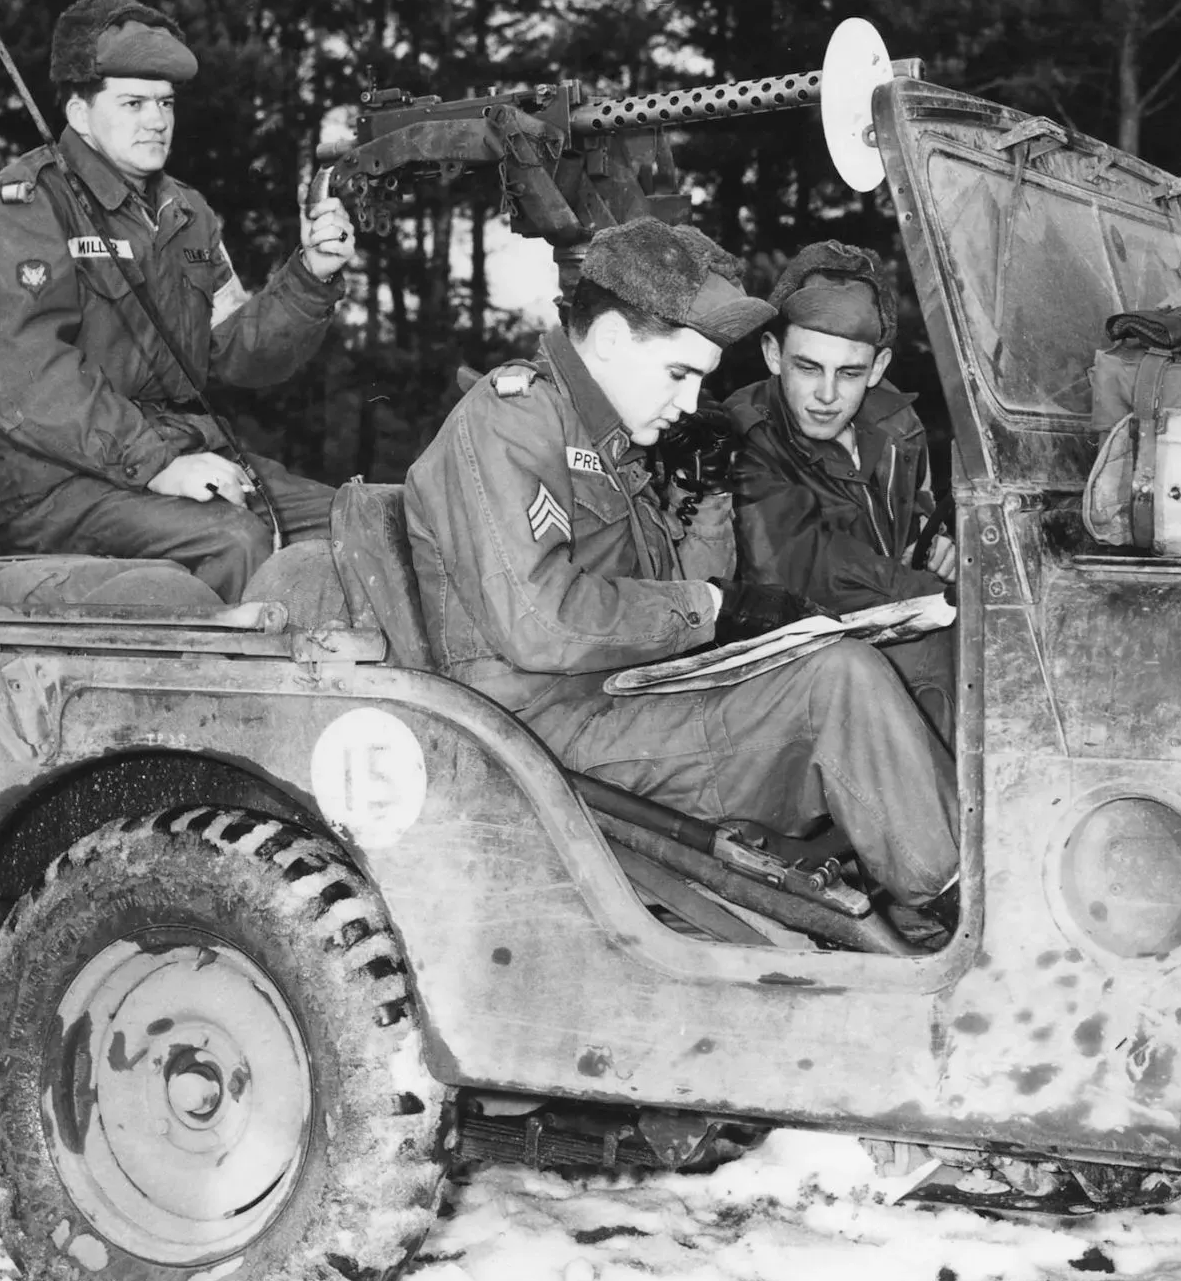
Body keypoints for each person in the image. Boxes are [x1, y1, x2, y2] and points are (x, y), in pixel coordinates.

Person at [402, 217, 961, 936]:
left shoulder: (610, 438)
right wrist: (711, 605)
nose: (691, 402)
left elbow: (675, 591)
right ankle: (961, 917)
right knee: (838, 681)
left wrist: (711, 496)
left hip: (622, 699)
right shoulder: (516, 420)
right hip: (542, 736)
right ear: (608, 340)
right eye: (679, 374)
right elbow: (541, 623)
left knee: (860, 662)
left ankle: (940, 890)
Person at [0, 0, 355, 602]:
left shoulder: (184, 213)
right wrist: (157, 464)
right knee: (234, 544)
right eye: (133, 102)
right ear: (80, 113)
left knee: (355, 525)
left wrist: (312, 274)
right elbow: (27, 378)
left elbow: (238, 350)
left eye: (165, 102)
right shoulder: (28, 210)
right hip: (59, 484)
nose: (157, 120)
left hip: (179, 456)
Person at [726, 241, 957, 739]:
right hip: (800, 674)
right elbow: (801, 570)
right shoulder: (744, 438)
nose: (827, 396)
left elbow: (919, 515)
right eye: (808, 367)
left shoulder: (898, 422)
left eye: (850, 373)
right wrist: (938, 591)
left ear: (877, 368)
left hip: (893, 636)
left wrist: (936, 547)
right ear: (772, 354)